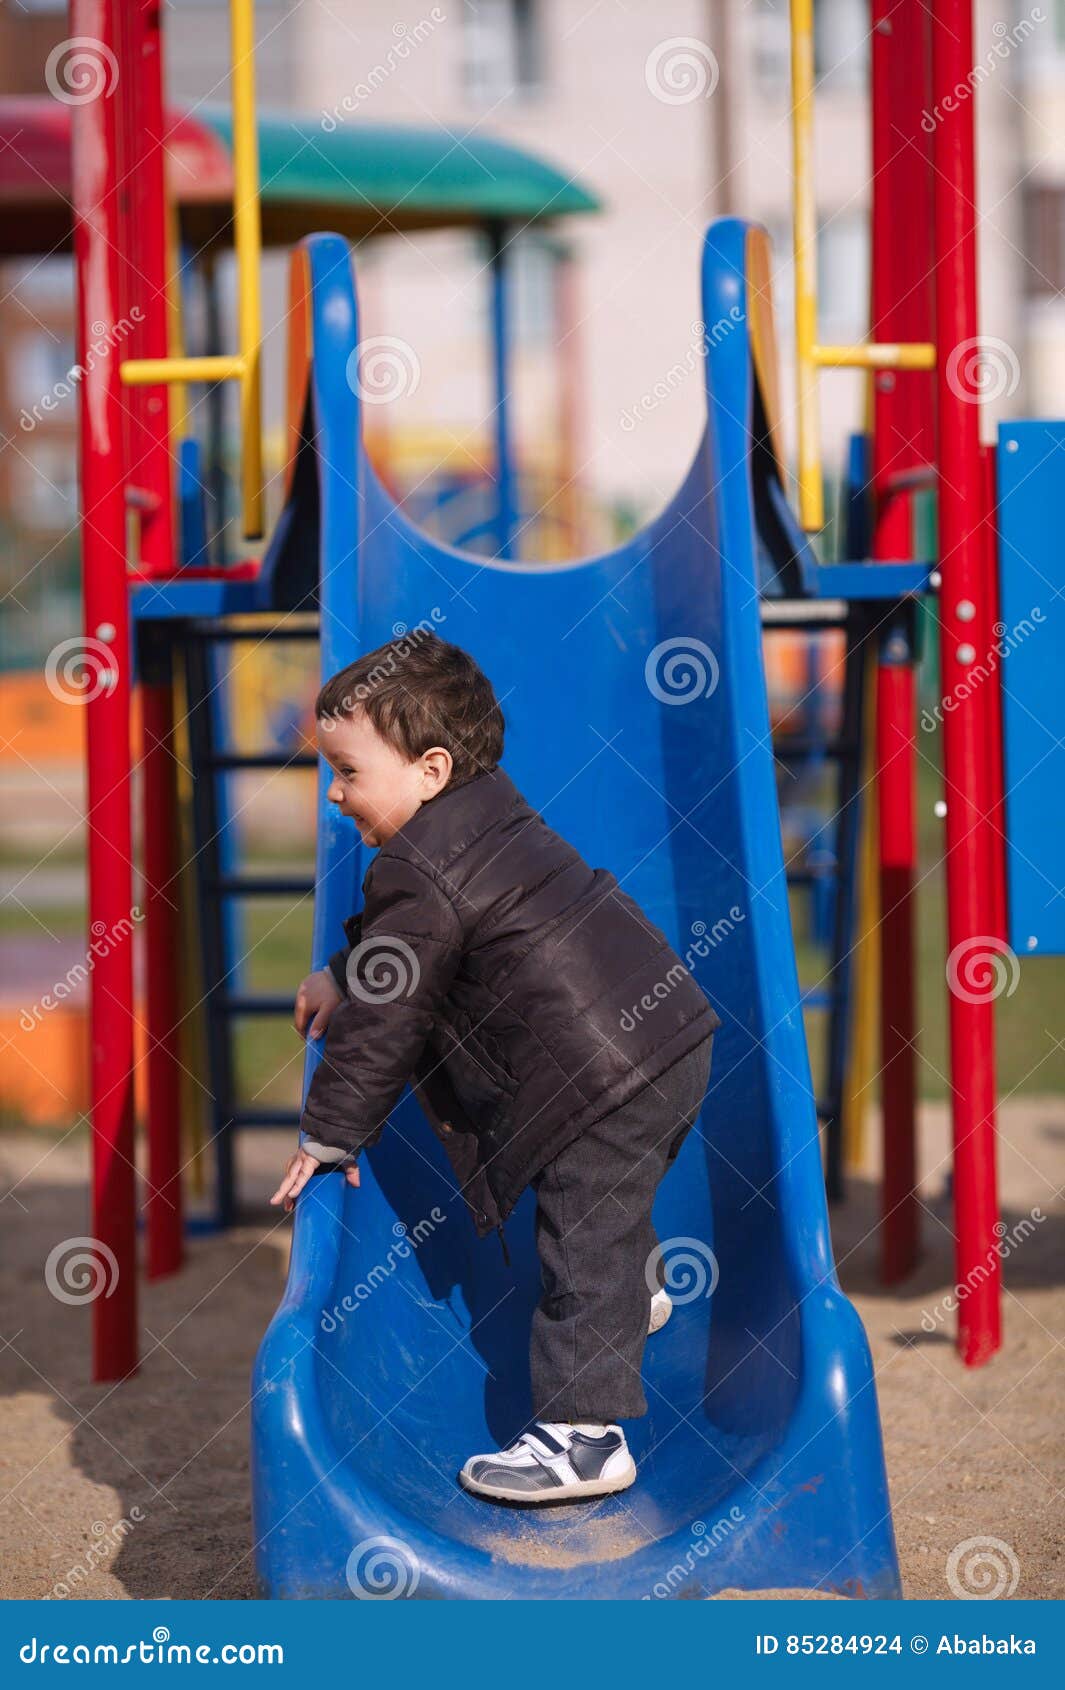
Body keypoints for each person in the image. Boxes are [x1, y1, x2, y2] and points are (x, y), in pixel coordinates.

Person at [270, 633, 719, 1503]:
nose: (334, 795)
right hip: (662, 1037)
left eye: (350, 773)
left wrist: (329, 1136)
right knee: (602, 1217)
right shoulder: (489, 820)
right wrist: (344, 969)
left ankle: (585, 1442)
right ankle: (630, 1290)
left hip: (599, 1074)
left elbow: (388, 1021)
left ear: (430, 770)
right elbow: (426, 942)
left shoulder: (413, 868)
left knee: (580, 1234)